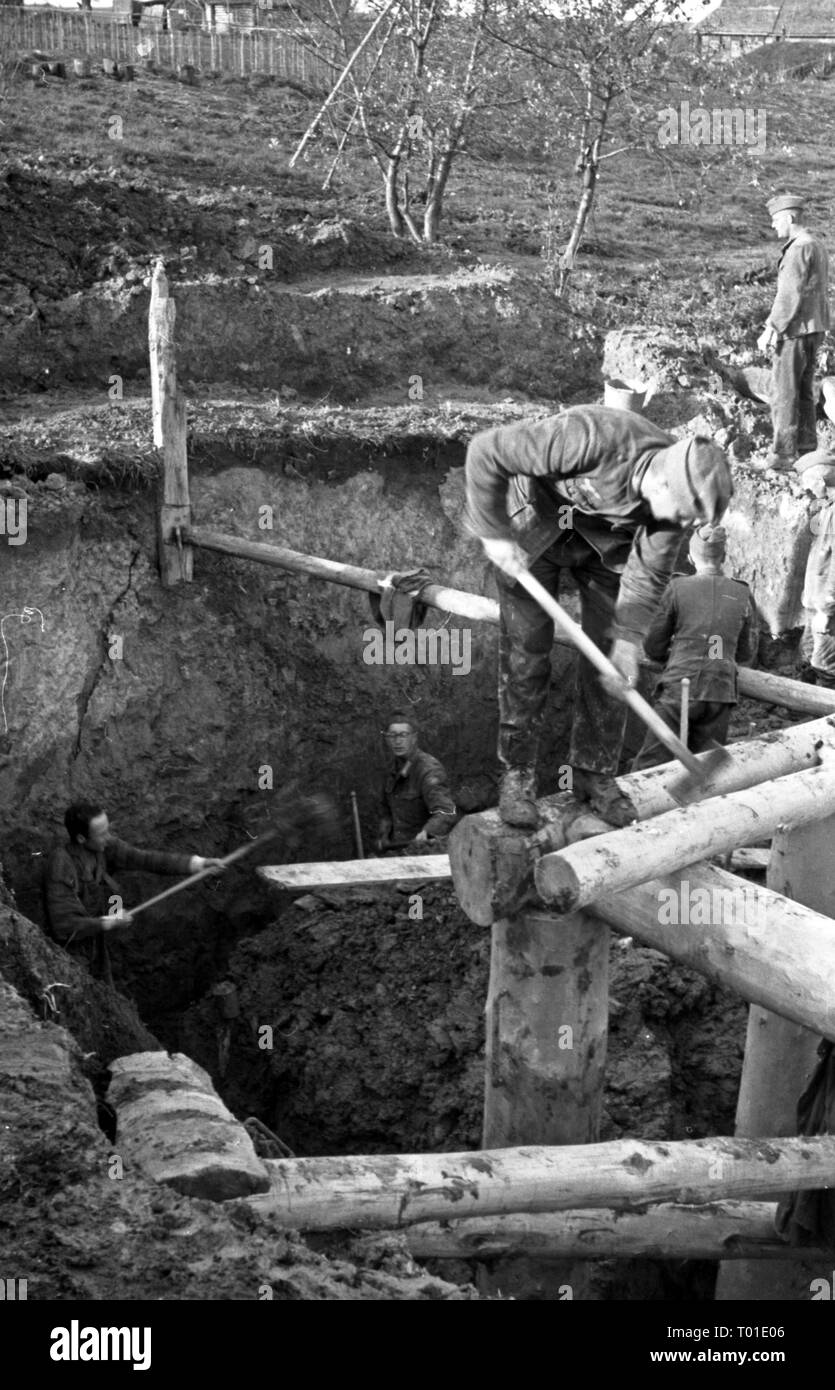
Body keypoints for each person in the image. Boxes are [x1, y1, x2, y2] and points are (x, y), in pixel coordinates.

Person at [464, 407, 733, 829]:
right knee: (526, 653)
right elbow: (485, 451)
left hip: (605, 547)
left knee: (609, 659)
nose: (682, 526)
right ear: (660, 483)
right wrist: (493, 533)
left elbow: (648, 576)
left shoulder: (675, 504)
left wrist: (626, 644)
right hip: (534, 527)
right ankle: (518, 775)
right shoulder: (588, 438)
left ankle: (593, 772)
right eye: (682, 516)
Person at [44, 803, 226, 984]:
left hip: (96, 938)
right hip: (70, 954)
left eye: (108, 831)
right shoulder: (61, 866)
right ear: (82, 839)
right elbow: (64, 926)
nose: (108, 838)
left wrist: (199, 864)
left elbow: (146, 859)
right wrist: (111, 922)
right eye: (101, 835)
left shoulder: (103, 847)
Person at [632, 525, 757, 770]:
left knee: (650, 765)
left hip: (679, 689)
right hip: (720, 692)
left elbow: (653, 646)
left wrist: (671, 655)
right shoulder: (742, 593)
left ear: (690, 557)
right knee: (703, 772)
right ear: (723, 557)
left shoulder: (677, 588)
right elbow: (746, 653)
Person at [750, 193, 830, 472]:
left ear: (790, 218)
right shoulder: (816, 244)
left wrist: (772, 327)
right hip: (815, 328)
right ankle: (807, 450)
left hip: (795, 331)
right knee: (806, 391)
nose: (773, 226)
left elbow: (789, 294)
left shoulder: (797, 249)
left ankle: (782, 455)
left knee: (784, 392)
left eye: (775, 220)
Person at [376, 714, 458, 852]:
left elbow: (446, 812)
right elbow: (386, 811)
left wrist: (427, 832)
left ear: (414, 738)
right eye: (392, 736)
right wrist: (384, 834)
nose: (397, 741)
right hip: (399, 849)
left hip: (427, 851)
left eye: (403, 735)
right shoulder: (391, 770)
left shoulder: (428, 770)